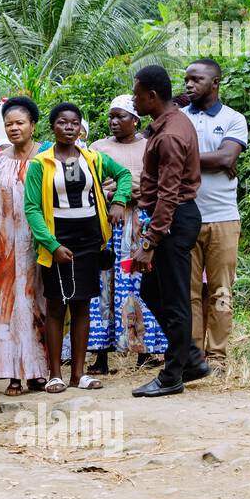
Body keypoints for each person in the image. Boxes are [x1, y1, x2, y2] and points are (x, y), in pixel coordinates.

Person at [23, 103, 132, 393]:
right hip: (58, 240)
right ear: (52, 127)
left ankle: (79, 375)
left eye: (74, 123)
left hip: (90, 240)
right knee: (56, 306)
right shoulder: (40, 164)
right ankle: (55, 374)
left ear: (80, 128)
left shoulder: (93, 158)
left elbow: (124, 175)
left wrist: (119, 201)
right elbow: (32, 209)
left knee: (83, 304)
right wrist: (52, 244)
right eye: (62, 122)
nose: (69, 127)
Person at [129, 65, 208, 397]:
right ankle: (189, 356)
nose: (133, 100)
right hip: (169, 219)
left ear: (152, 95)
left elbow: (169, 194)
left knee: (175, 299)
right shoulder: (166, 125)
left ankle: (173, 374)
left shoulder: (172, 134)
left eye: (136, 94)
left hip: (174, 220)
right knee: (151, 290)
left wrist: (150, 239)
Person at [86, 95, 166, 373]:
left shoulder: (149, 146)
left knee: (138, 283)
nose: (114, 121)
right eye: (111, 116)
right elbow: (90, 184)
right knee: (104, 286)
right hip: (108, 223)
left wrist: (141, 192)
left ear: (135, 120)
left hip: (141, 222)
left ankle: (143, 350)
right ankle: (101, 355)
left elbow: (158, 181)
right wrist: (112, 193)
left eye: (121, 116)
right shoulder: (97, 148)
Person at [182, 59, 247, 365]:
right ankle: (194, 357)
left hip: (223, 218)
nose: (189, 85)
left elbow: (226, 158)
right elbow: (219, 159)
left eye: (196, 80)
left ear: (215, 82)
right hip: (185, 217)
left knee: (220, 290)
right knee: (189, 293)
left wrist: (186, 157)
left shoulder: (234, 119)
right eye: (186, 80)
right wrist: (216, 158)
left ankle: (217, 355)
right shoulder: (178, 119)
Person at [0, 97, 50, 396]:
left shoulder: (47, 155)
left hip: (40, 240)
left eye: (20, 123)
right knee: (9, 308)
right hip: (7, 242)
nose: (14, 128)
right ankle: (13, 373)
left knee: (39, 304)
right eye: (9, 124)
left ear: (32, 125)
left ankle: (38, 372)